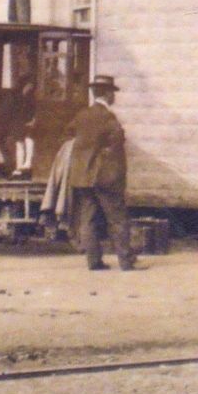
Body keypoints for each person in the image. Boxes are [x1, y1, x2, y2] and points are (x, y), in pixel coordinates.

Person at [66, 74, 135, 271]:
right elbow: (118, 140)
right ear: (106, 94)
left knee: (88, 219)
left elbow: (69, 131)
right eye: (112, 93)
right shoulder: (107, 117)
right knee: (117, 218)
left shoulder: (82, 115)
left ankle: (93, 262)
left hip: (82, 177)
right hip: (104, 178)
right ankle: (125, 261)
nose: (114, 97)